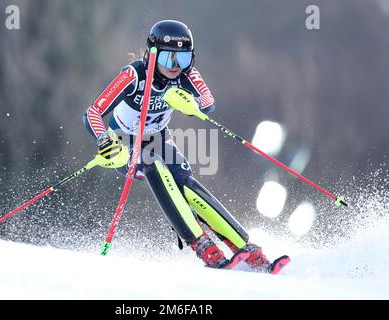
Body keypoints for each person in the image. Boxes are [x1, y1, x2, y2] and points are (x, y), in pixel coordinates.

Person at [83, 20, 289, 273]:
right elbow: (93, 112)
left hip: (158, 137)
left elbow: (207, 101)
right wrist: (104, 139)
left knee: (184, 180)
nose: (176, 67)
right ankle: (201, 245)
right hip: (124, 142)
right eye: (169, 59)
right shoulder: (134, 75)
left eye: (183, 58)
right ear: (152, 54)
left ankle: (246, 248)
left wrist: (189, 103)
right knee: (153, 166)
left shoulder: (186, 75)